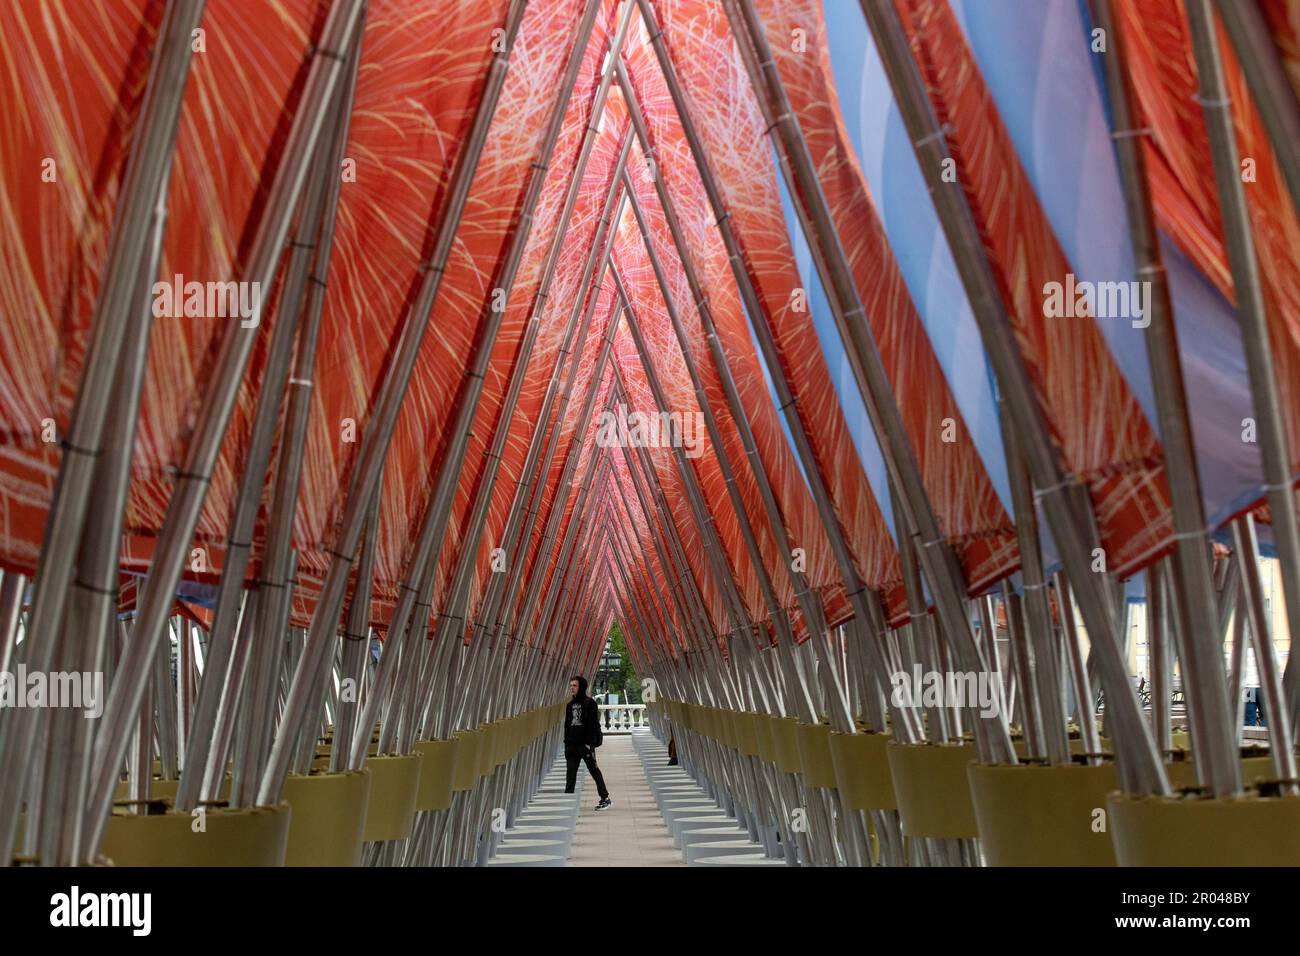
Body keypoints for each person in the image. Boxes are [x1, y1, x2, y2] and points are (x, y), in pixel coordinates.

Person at [564, 675, 611, 809]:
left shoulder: (590, 703)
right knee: (570, 775)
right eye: (571, 685)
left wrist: (589, 743)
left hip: (584, 745)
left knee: (594, 771)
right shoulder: (569, 705)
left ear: (582, 687)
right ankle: (568, 804)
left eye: (575, 685)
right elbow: (567, 725)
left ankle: (605, 798)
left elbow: (593, 725)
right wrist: (566, 743)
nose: (572, 688)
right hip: (572, 746)